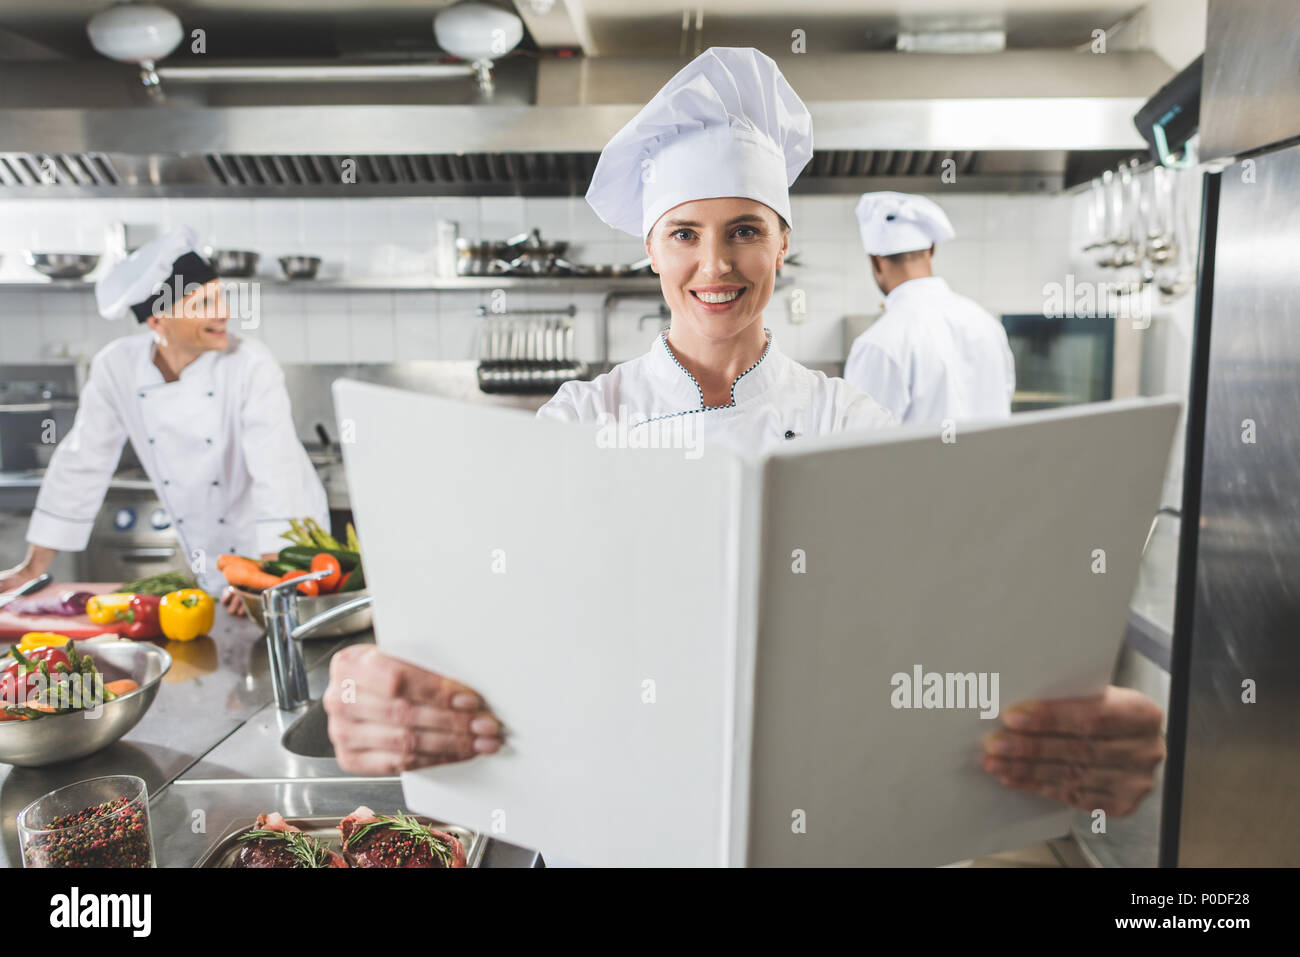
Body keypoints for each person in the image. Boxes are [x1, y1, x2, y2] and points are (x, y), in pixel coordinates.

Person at [323, 49, 1164, 831]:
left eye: (745, 231)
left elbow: (944, 616)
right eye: (686, 233)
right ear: (651, 247)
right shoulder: (580, 422)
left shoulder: (851, 421)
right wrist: (374, 676)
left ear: (783, 242)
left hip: (811, 815)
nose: (715, 265)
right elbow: (481, 615)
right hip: (612, 819)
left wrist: (1069, 707)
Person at [0, 228, 328, 617]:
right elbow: (82, 461)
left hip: (283, 547)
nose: (222, 312)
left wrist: (268, 574)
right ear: (159, 322)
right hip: (212, 554)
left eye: (219, 296)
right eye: (203, 303)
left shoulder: (251, 365)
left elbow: (276, 473)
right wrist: (33, 567)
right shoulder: (116, 367)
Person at [844, 192, 1016, 425]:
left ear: (875, 260)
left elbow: (858, 447)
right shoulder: (988, 325)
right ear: (931, 249)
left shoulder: (878, 344)